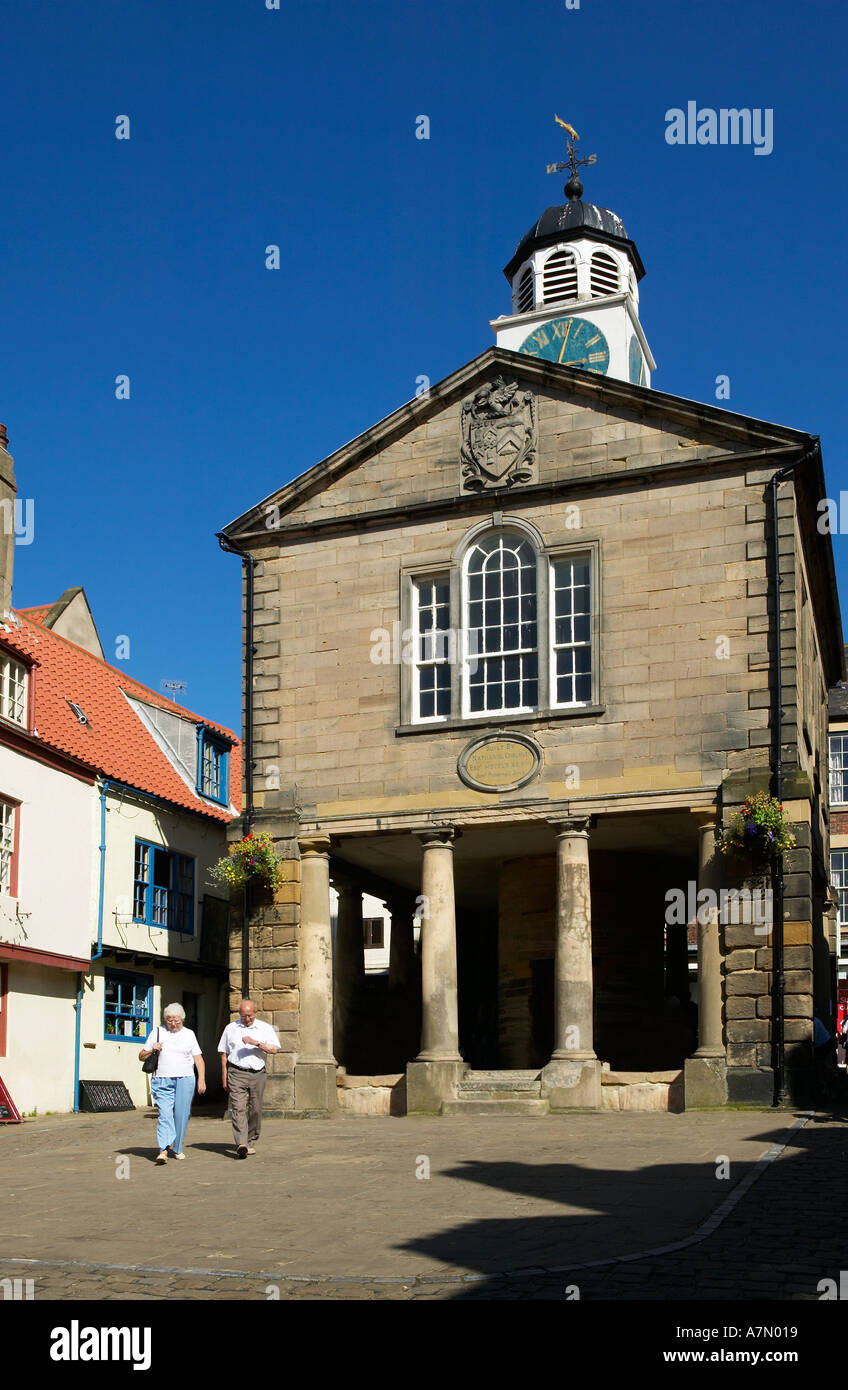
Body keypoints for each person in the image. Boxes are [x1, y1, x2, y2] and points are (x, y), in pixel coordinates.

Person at [139, 1003, 205, 1163]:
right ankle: (163, 1149)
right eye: (169, 1020)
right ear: (165, 1020)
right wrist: (152, 1049)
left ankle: (178, 1147)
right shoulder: (157, 1032)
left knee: (182, 1115)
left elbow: (198, 1058)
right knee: (165, 1115)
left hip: (185, 1078)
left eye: (176, 1020)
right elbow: (141, 1056)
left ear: (182, 1019)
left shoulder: (189, 1034)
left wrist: (201, 1079)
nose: (173, 1024)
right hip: (162, 1079)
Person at [218, 999, 280, 1158]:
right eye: (244, 1016)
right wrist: (224, 1075)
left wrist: (256, 1043)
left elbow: (274, 1050)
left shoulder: (264, 1028)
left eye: (250, 1016)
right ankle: (241, 1143)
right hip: (236, 1072)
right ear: (239, 1014)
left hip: (257, 1073)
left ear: (256, 1013)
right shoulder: (231, 1028)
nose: (247, 1019)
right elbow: (224, 1053)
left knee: (255, 1109)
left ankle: (251, 1139)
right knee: (238, 1108)